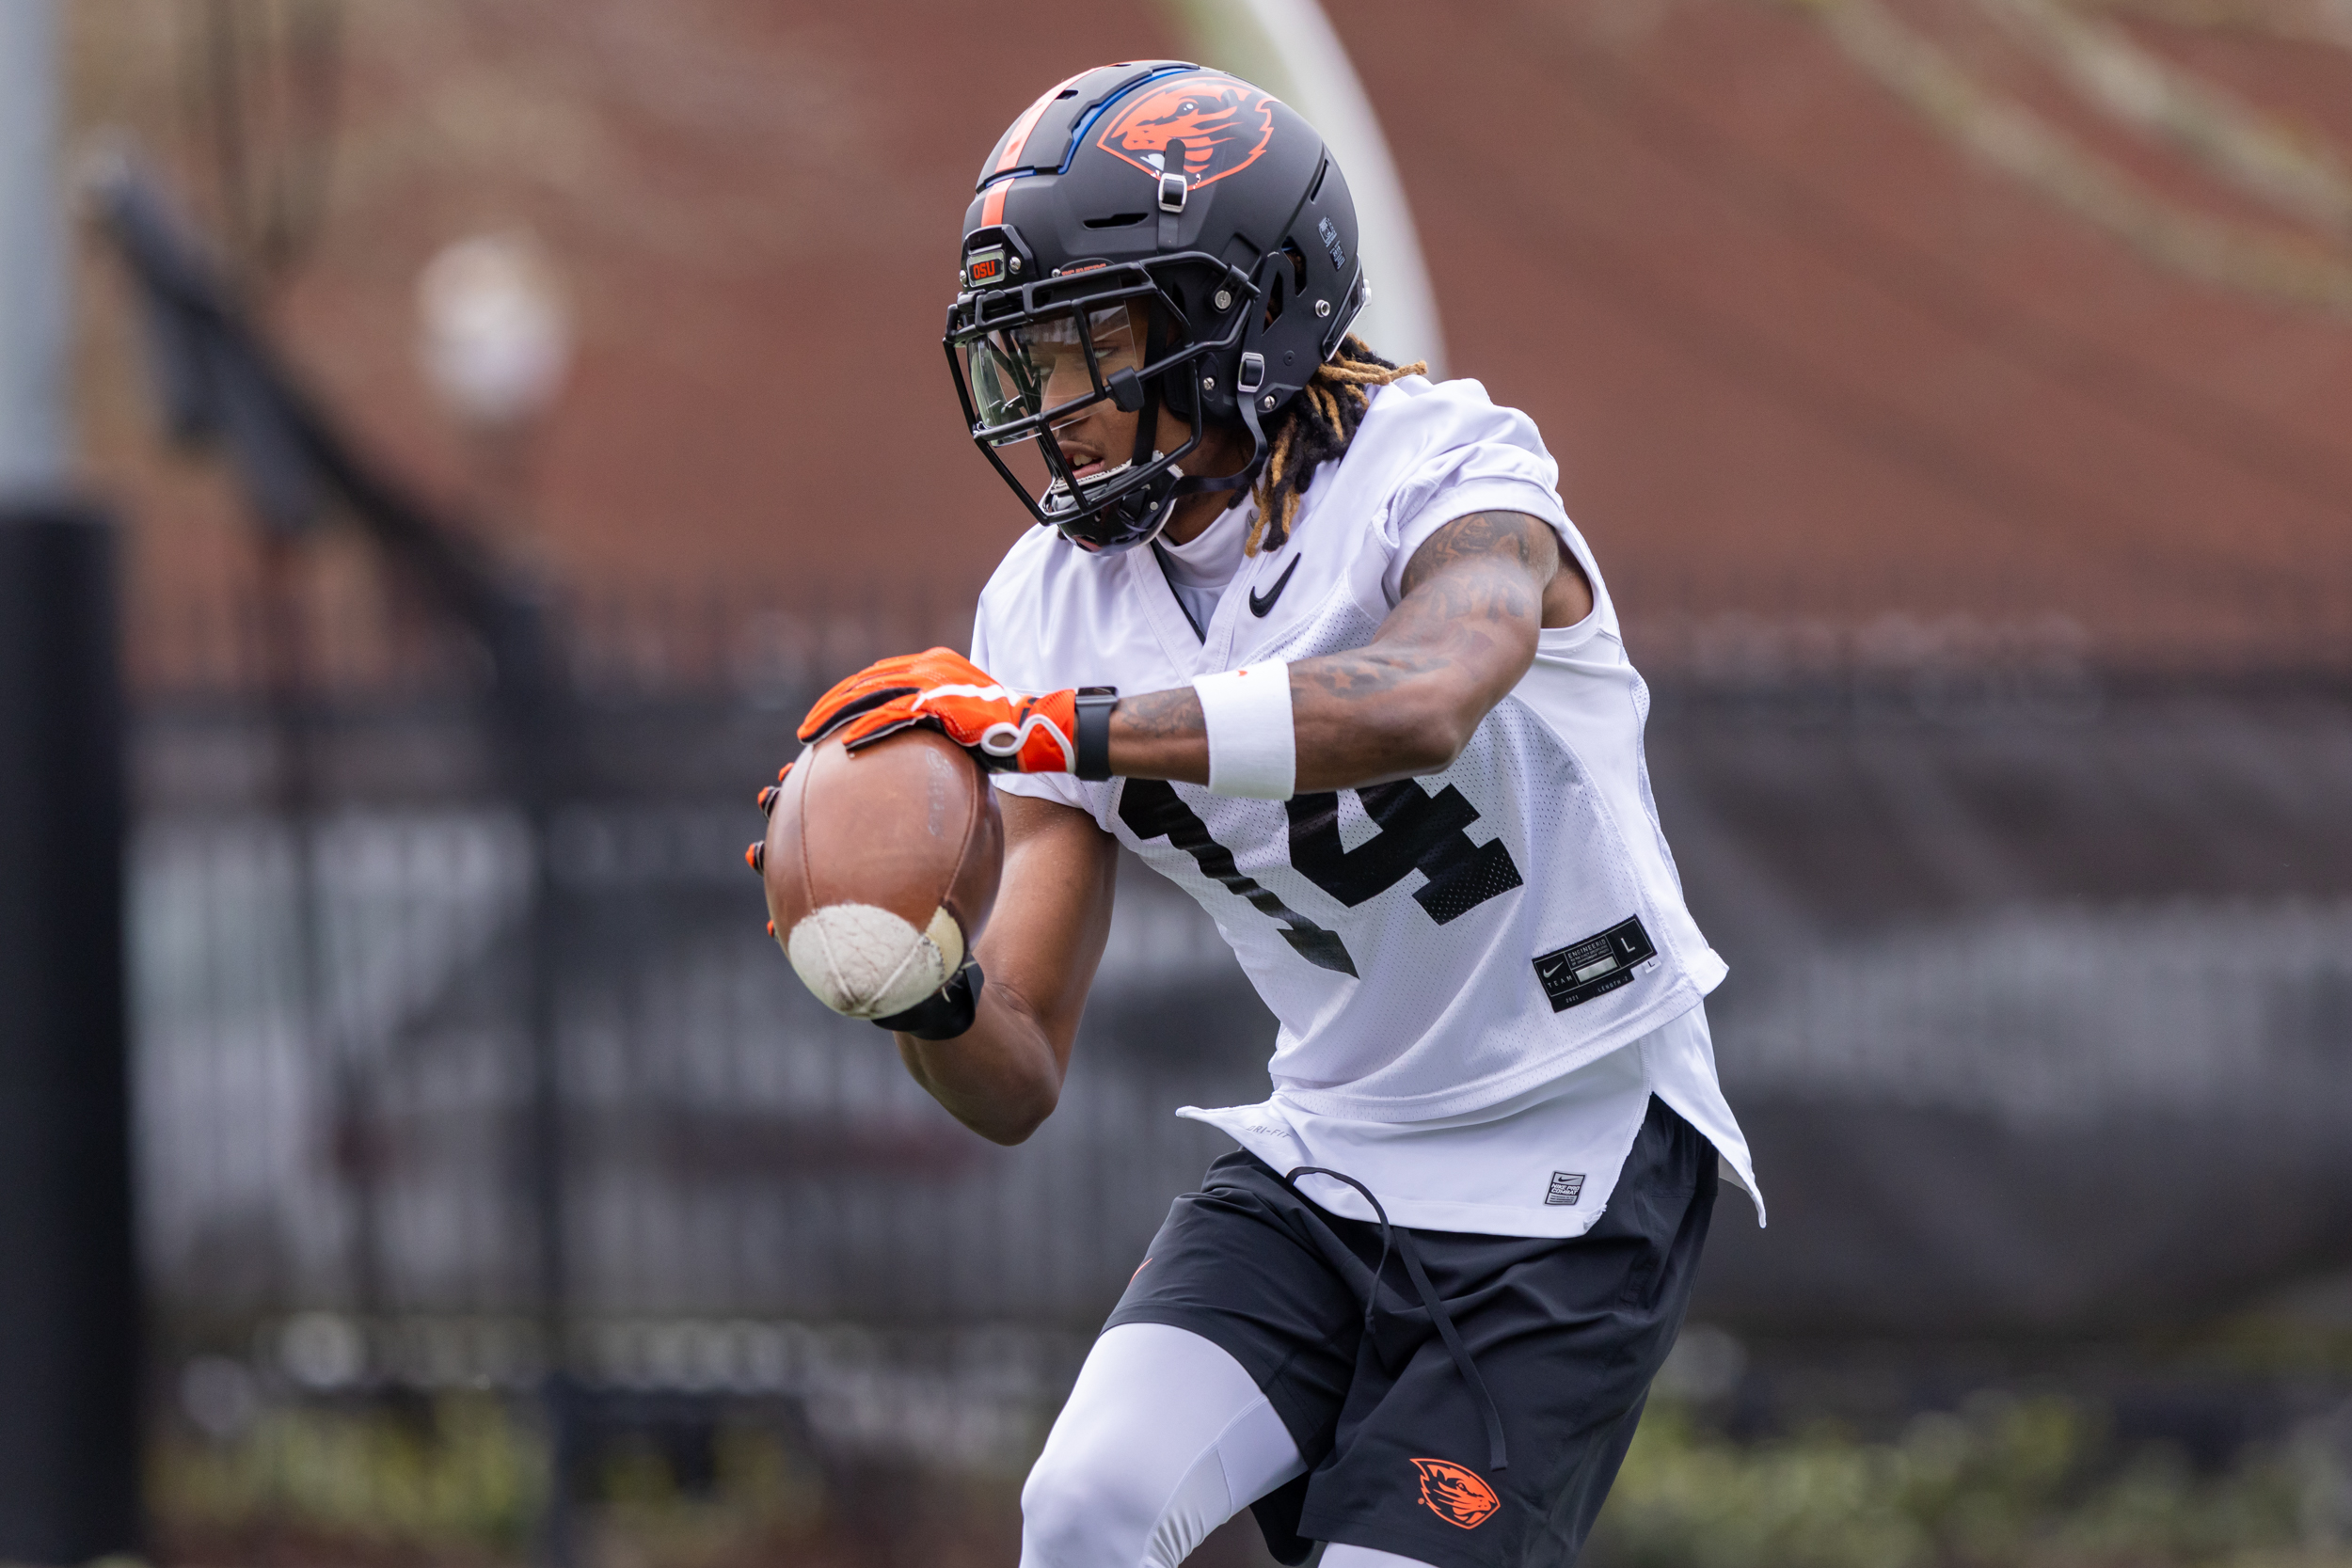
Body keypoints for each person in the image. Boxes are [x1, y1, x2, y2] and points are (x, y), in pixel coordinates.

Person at [779, 61, 1762, 1568]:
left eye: (1093, 340)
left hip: (1575, 1142)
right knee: (1088, 1507)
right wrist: (918, 979)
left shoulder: (1443, 467)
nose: (1057, 405)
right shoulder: (1049, 608)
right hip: (1331, 1150)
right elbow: (1020, 1068)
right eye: (1030, 354)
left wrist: (1063, 727)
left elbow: (1421, 694)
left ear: (1244, 312)